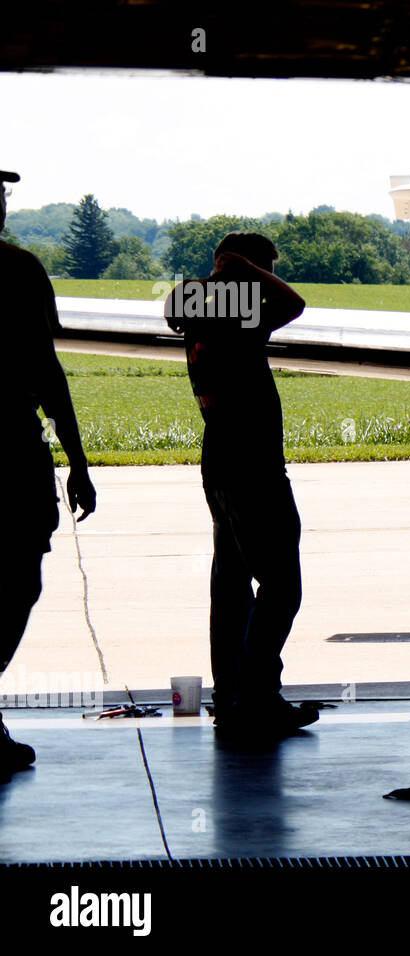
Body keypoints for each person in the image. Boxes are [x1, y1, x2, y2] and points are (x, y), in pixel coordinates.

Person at [165, 232, 316, 738]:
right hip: (254, 462)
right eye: (265, 269)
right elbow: (294, 302)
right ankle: (254, 695)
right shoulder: (239, 316)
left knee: (230, 581)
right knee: (282, 585)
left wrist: (223, 273)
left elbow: (180, 300)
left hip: (220, 457)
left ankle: (231, 693)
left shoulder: (199, 310)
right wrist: (245, 270)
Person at [0, 168, 97, 774]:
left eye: (1, 195)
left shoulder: (20, 270)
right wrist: (76, 460)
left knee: (17, 583)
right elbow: (47, 370)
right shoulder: (19, 272)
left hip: (12, 450)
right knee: (12, 583)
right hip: (8, 455)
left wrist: (78, 459)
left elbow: (45, 368)